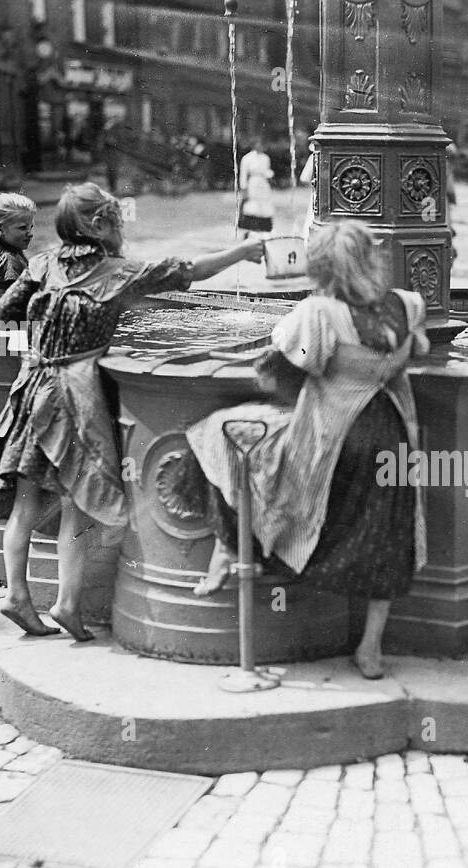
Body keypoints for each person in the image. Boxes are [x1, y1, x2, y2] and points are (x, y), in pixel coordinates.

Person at [0, 183, 264, 640]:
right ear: (103, 224)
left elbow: (4, 312)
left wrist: (45, 340)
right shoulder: (117, 271)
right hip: (75, 400)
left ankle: (17, 595)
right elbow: (188, 270)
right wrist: (243, 251)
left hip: (32, 388)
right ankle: (67, 605)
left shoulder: (45, 261)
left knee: (25, 505)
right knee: (77, 502)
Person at [184, 221, 429, 680]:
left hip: (333, 437)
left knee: (220, 434)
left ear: (318, 267)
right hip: (389, 432)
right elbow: (415, 350)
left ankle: (231, 547)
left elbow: (282, 371)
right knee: (389, 540)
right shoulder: (405, 305)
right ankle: (370, 651)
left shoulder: (318, 312)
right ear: (371, 260)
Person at [0, 193, 37, 310]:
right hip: (13, 328)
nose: (30, 234)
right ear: (0, 229)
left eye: (31, 227)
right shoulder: (8, 262)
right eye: (22, 228)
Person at [237, 138, 275, 237]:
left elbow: (267, 171)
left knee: (264, 206)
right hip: (252, 184)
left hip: (263, 184)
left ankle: (263, 230)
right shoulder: (247, 158)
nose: (260, 147)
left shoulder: (265, 158)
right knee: (252, 207)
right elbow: (243, 174)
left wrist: (269, 175)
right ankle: (251, 231)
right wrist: (244, 188)